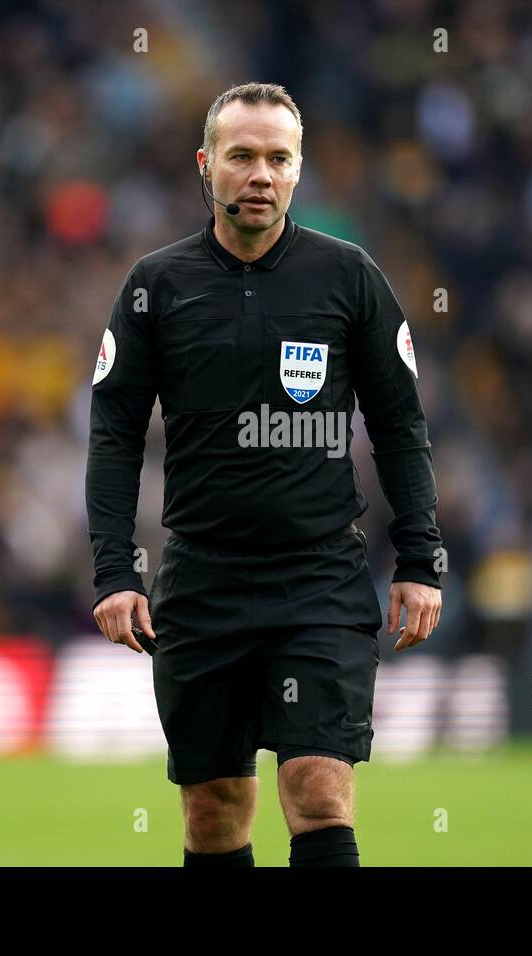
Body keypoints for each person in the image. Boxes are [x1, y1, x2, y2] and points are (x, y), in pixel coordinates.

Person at [86, 82, 442, 867]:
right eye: (242, 156)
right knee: (215, 813)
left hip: (319, 576)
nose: (260, 174)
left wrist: (420, 560)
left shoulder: (348, 279)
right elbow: (114, 432)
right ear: (206, 165)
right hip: (203, 582)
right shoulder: (156, 286)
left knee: (318, 791)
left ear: (298, 170)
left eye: (278, 158)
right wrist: (115, 571)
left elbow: (399, 425)